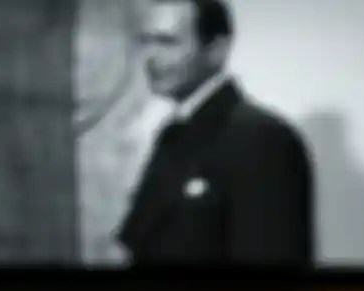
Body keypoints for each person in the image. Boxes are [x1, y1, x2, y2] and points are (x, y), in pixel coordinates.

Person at [117, 0, 314, 266]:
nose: (150, 57)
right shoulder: (173, 133)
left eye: (167, 42)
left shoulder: (263, 140)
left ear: (216, 50)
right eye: (146, 42)